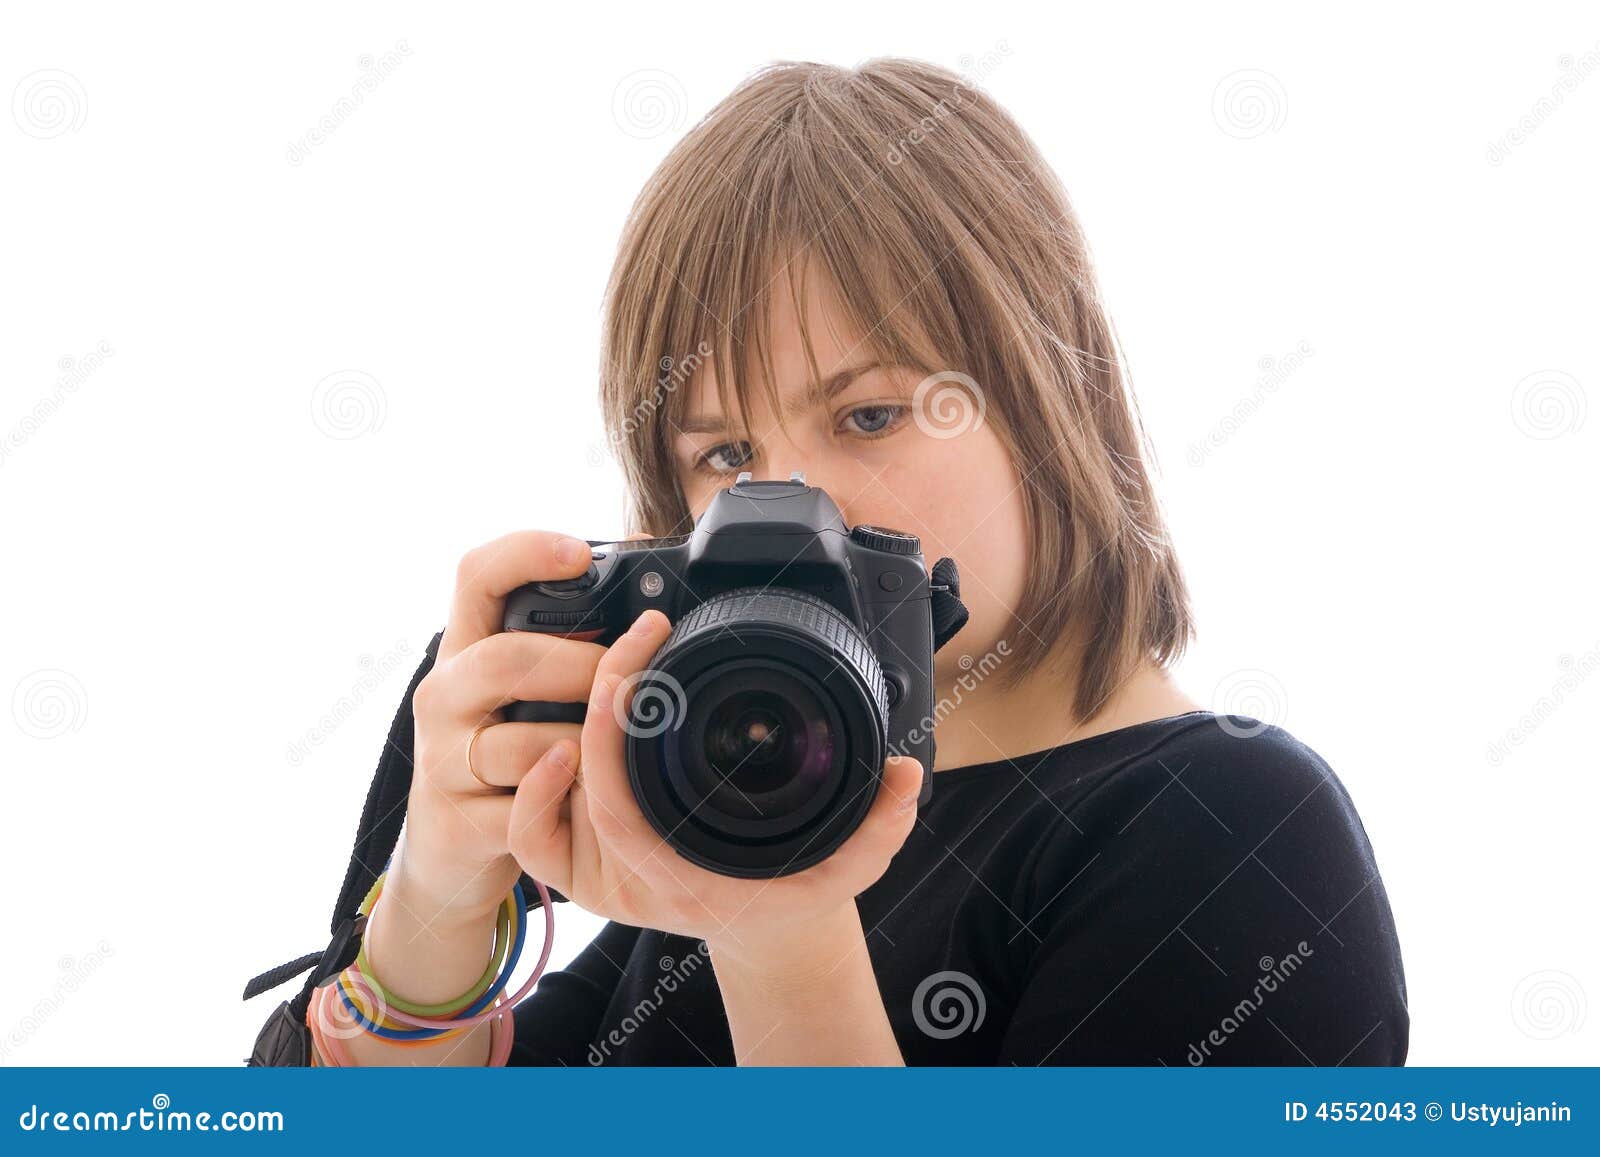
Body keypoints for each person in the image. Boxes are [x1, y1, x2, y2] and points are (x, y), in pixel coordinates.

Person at [311, 57, 1408, 1066]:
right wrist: (436, 905)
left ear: (1050, 398)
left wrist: (778, 932)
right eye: (725, 452)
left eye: (871, 412)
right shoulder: (733, 815)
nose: (789, 498)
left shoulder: (1234, 828)